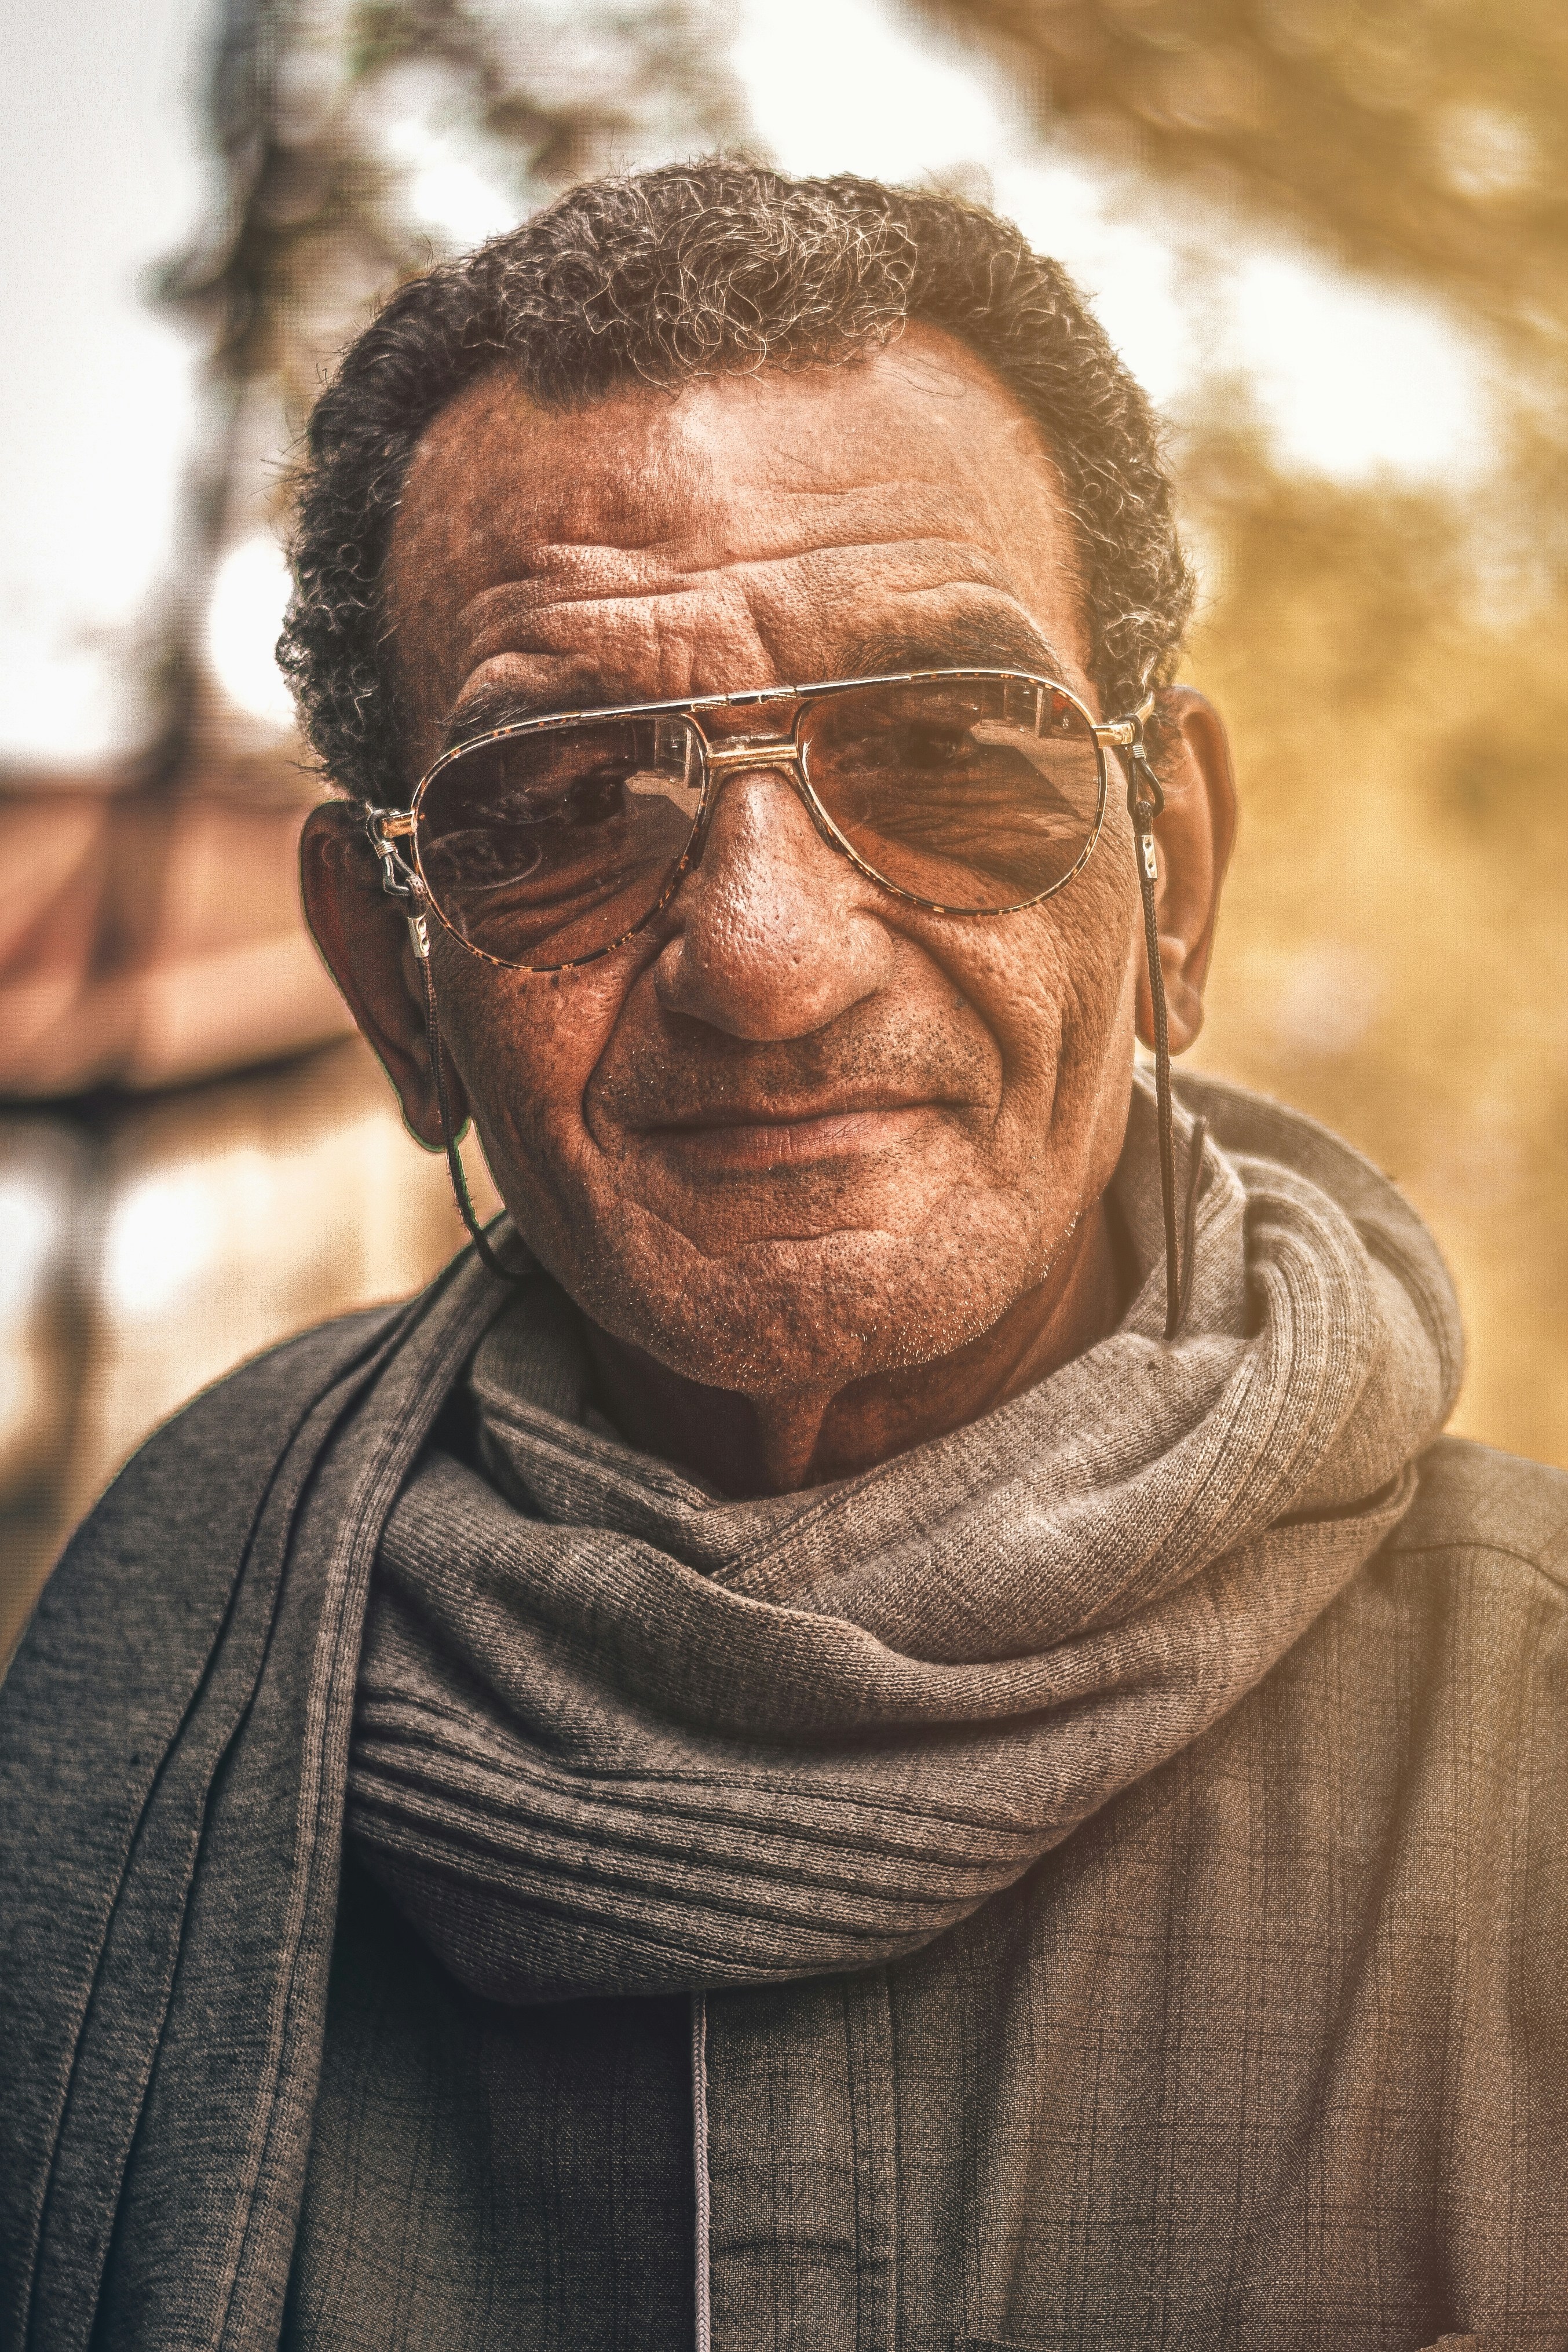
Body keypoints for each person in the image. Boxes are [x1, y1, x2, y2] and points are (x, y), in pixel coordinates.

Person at [2, 162, 1563, 2352]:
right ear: (396, 987)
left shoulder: (1529, 1747)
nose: (764, 953)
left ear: (1173, 883)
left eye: (943, 752)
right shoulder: (139, 1745)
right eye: (558, 806)